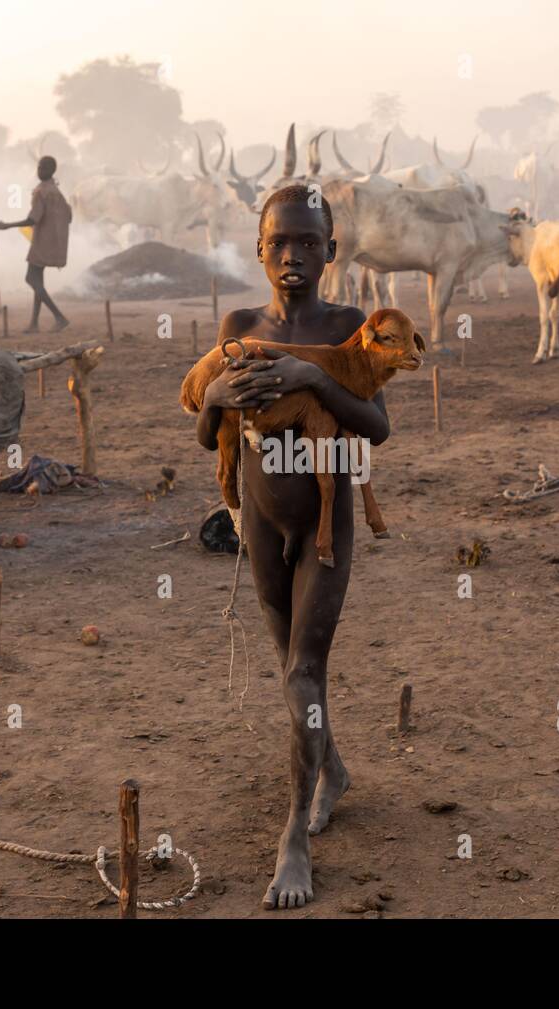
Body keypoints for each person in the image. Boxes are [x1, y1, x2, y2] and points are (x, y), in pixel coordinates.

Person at [188, 185, 390, 910]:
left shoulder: (351, 326)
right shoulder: (240, 324)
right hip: (262, 527)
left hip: (324, 530)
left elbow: (378, 425)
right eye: (281, 243)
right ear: (260, 251)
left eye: (310, 243)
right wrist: (215, 398)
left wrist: (313, 376)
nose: (294, 256)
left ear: (332, 251)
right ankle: (330, 769)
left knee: (304, 671)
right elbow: (210, 436)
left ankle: (292, 839)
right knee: (288, 669)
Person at [0, 156, 71, 333]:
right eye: (39, 167)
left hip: (42, 242)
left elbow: (32, 219)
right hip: (54, 242)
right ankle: (34, 324)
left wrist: (7, 225)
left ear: (50, 170)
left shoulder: (41, 192)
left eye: (42, 167)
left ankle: (59, 317)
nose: (39, 170)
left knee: (30, 279)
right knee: (38, 281)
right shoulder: (56, 191)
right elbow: (69, 216)